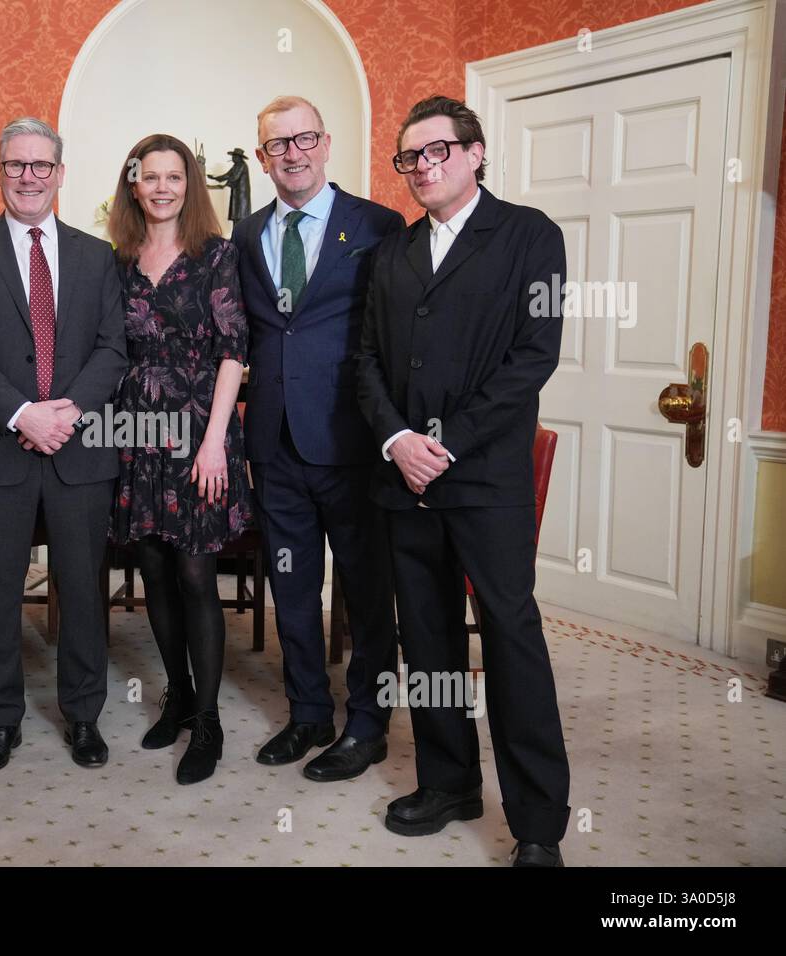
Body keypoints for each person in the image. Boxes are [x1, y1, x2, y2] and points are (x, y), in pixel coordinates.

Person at [356, 95, 571, 866]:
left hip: (484, 479)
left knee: (512, 641)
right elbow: (367, 362)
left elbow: (532, 358)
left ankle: (539, 823)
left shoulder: (529, 236)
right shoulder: (391, 253)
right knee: (430, 640)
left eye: (438, 151)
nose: (422, 168)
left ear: (476, 152)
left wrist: (441, 443)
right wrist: (396, 439)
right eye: (410, 157)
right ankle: (447, 782)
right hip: (403, 481)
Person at [0, 117, 127, 773]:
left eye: (41, 166)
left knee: (80, 590)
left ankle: (83, 716)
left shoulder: (96, 255)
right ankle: (2, 719)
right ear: (0, 173)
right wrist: (23, 414)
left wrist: (67, 412)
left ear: (60, 174)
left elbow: (113, 348)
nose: (28, 176)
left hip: (80, 452)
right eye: (16, 165)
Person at [231, 95, 404, 779]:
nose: (293, 153)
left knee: (365, 592)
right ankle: (308, 714)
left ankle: (366, 725)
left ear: (327, 143)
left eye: (304, 139)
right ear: (261, 157)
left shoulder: (379, 225)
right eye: (278, 144)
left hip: (355, 444)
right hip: (274, 446)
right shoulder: (245, 236)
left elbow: (395, 335)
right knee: (293, 589)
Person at [107, 134, 251, 784]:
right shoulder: (118, 260)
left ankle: (210, 721)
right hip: (138, 431)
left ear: (189, 185)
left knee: (196, 575)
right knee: (155, 571)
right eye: (150, 177)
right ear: (133, 185)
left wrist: (217, 438)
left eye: (174, 176)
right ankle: (179, 695)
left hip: (201, 431)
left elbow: (232, 349)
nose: (162, 187)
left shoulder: (216, 254)